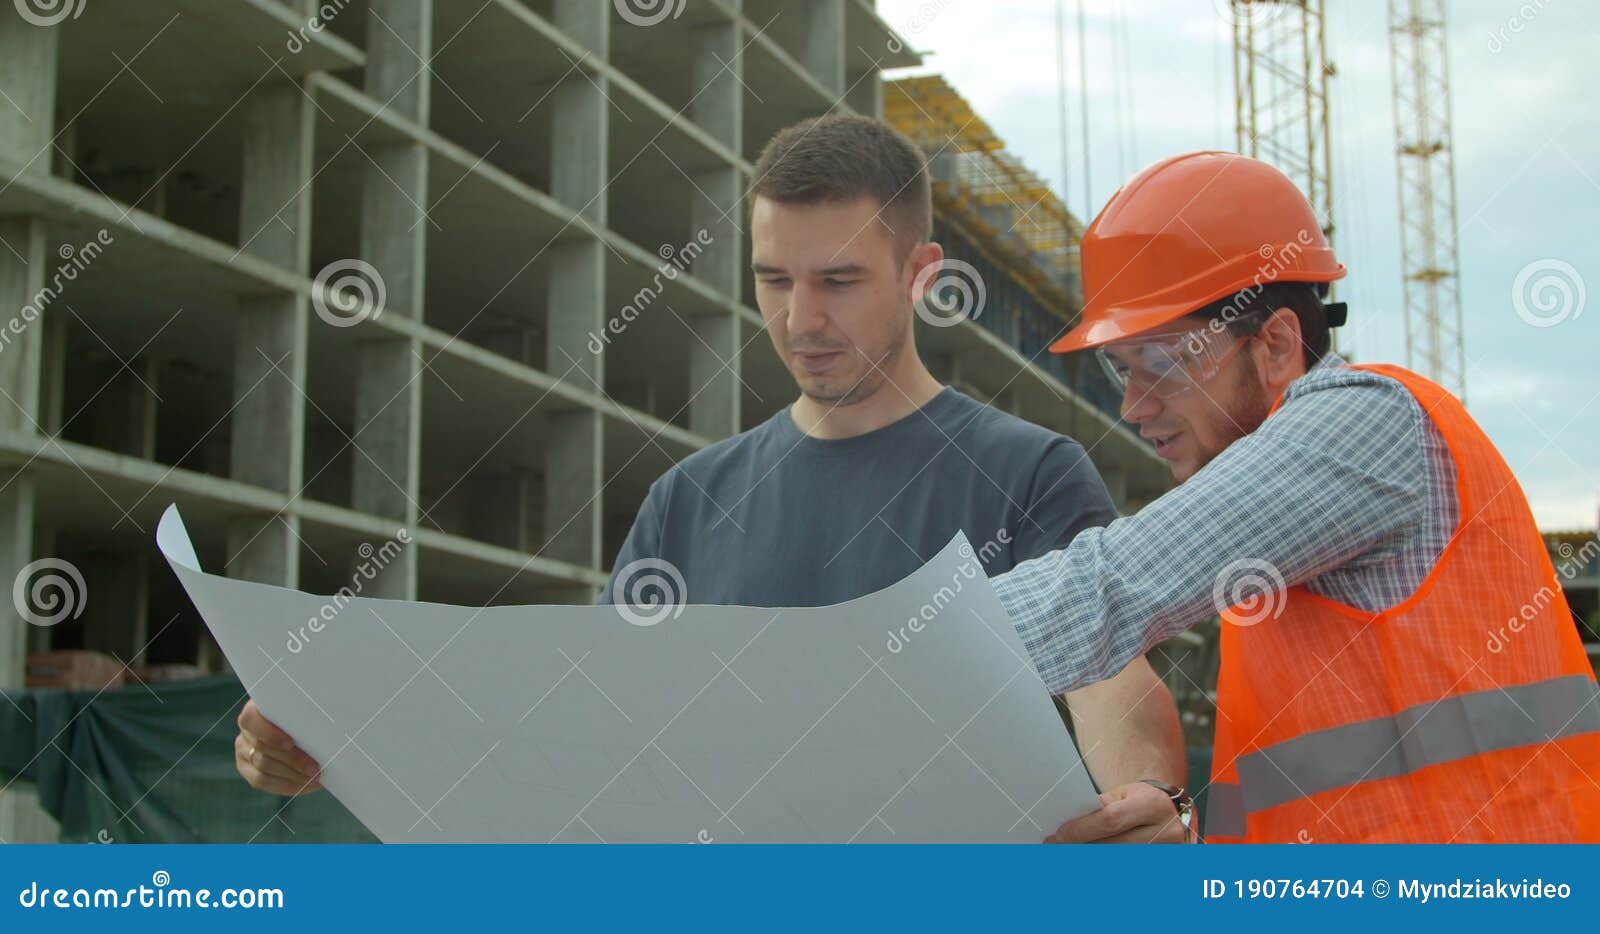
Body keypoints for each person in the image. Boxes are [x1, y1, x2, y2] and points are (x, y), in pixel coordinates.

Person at [236, 115, 1190, 843]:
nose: (800, 320)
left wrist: (1143, 797)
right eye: (773, 280)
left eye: (838, 281)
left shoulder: (1027, 473)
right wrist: (337, 735)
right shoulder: (688, 502)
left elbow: (1109, 677)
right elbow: (582, 724)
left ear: (920, 273)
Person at [994, 151, 1600, 844]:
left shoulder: (1362, 425)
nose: (1134, 406)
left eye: (1162, 361)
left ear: (1278, 344)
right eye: (1120, 369)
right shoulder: (1278, 546)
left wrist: (902, 658)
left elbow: (1108, 586)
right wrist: (1184, 824)